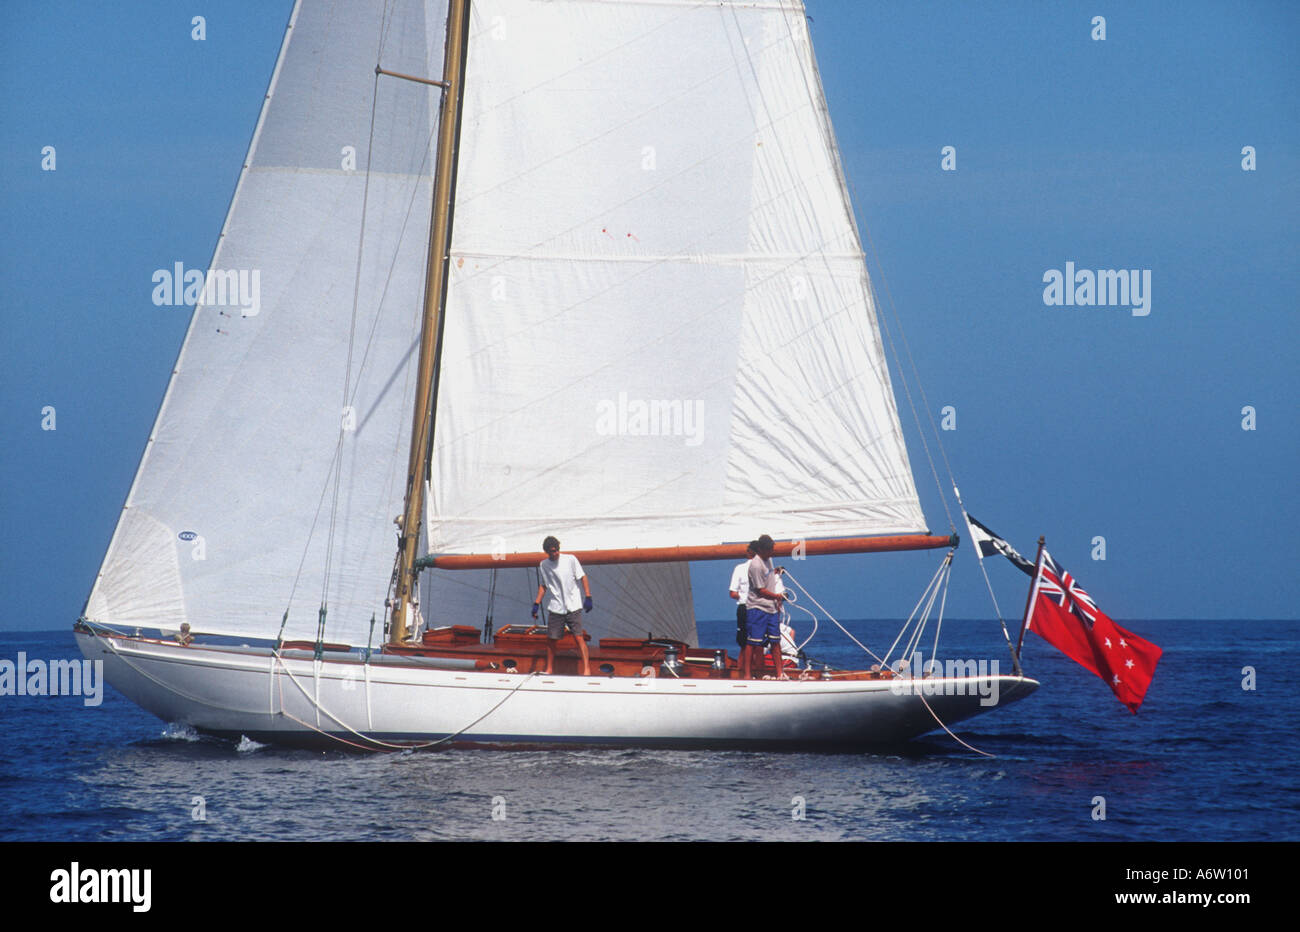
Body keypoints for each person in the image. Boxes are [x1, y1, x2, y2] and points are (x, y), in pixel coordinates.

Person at [532, 536, 592, 676]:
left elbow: (582, 577)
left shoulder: (570, 559)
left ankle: (587, 669)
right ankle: (549, 668)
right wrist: (536, 603)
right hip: (556, 606)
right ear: (547, 551)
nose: (555, 553)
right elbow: (544, 585)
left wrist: (588, 596)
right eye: (552, 551)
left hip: (573, 604)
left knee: (578, 637)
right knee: (551, 639)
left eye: (557, 550)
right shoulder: (544, 565)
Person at [741, 534, 787, 680]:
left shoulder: (769, 559)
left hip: (771, 608)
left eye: (772, 549)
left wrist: (776, 572)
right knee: (752, 643)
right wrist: (778, 596)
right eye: (768, 550)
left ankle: (780, 674)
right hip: (757, 608)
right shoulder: (755, 565)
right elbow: (760, 590)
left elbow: (768, 577)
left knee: (775, 641)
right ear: (760, 549)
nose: (771, 552)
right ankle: (747, 675)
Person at [728, 541, 758, 649]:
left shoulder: (740, 568)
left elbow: (733, 593)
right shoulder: (767, 569)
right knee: (759, 643)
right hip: (761, 608)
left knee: (744, 644)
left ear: (749, 552)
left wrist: (742, 596)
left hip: (745, 607)